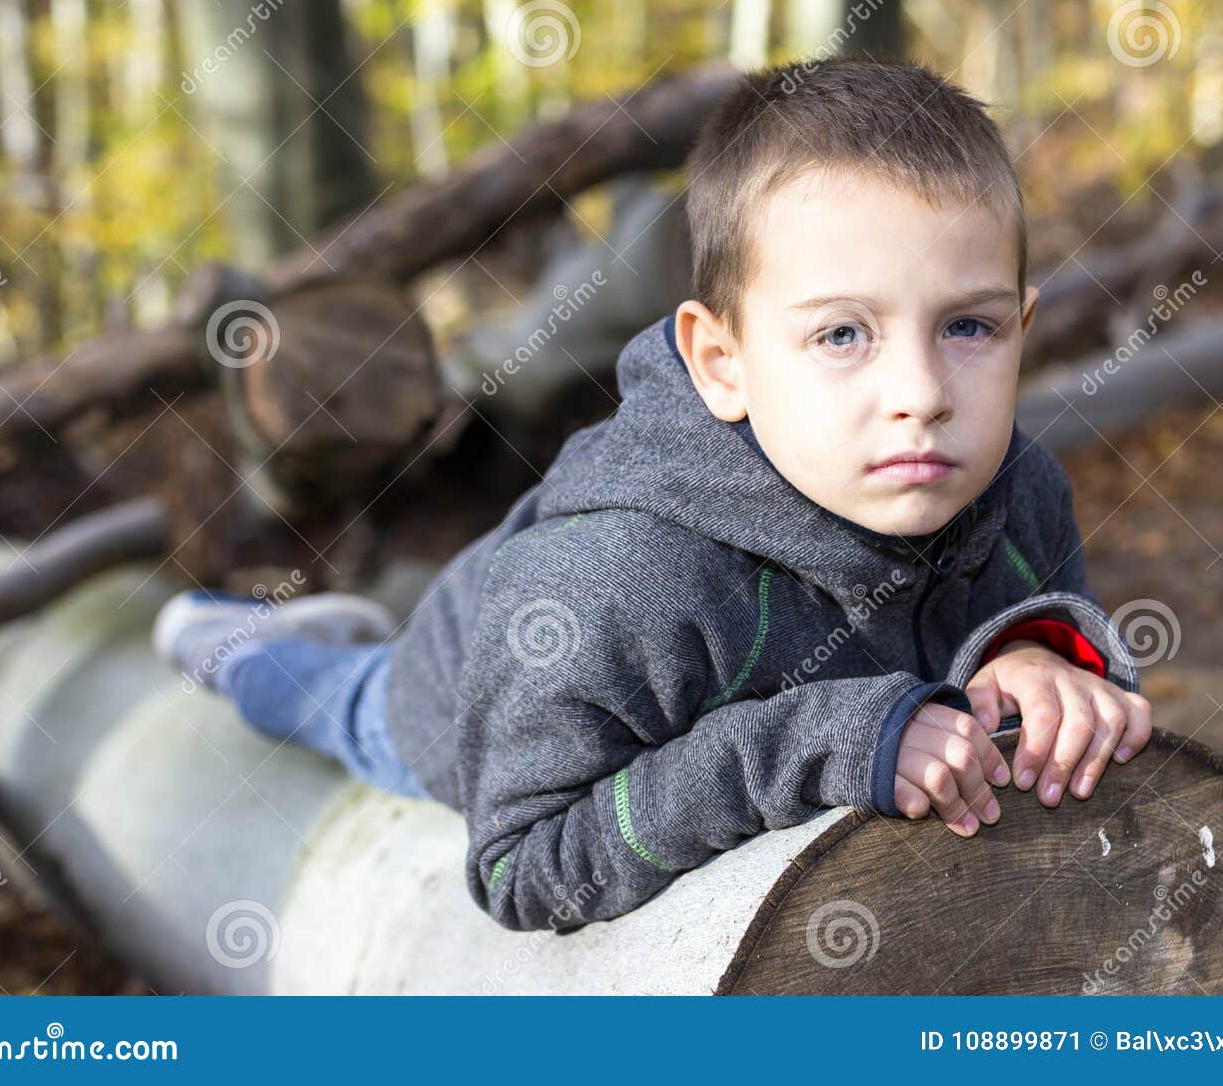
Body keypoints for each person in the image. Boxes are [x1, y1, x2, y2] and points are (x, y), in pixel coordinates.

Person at [154, 56, 1152, 933]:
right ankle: (228, 640)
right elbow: (522, 865)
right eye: (842, 335)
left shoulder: (1017, 487)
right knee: (331, 695)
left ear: (1022, 328)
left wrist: (1040, 652)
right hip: (459, 692)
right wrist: (821, 742)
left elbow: (1041, 635)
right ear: (722, 361)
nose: (922, 396)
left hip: (549, 659)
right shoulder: (619, 578)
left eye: (967, 328)